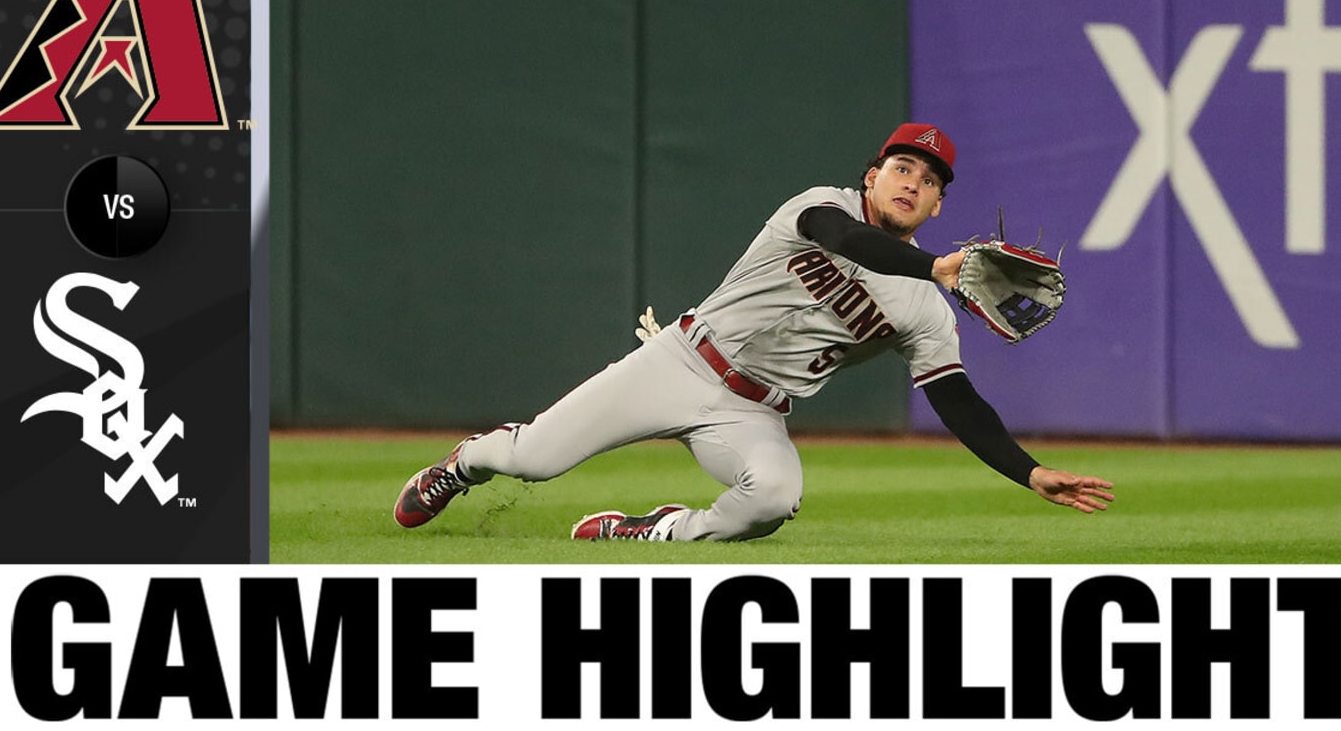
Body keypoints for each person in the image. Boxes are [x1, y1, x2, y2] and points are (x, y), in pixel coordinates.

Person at [394, 122, 1114, 541]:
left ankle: (653, 530)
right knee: (532, 460)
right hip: (680, 361)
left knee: (770, 500)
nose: (912, 183)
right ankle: (463, 464)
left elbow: (957, 400)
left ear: (936, 208)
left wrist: (1030, 472)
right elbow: (852, 243)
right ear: (870, 177)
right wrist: (935, 267)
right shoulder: (822, 206)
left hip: (751, 412)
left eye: (928, 182)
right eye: (901, 167)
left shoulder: (925, 307)